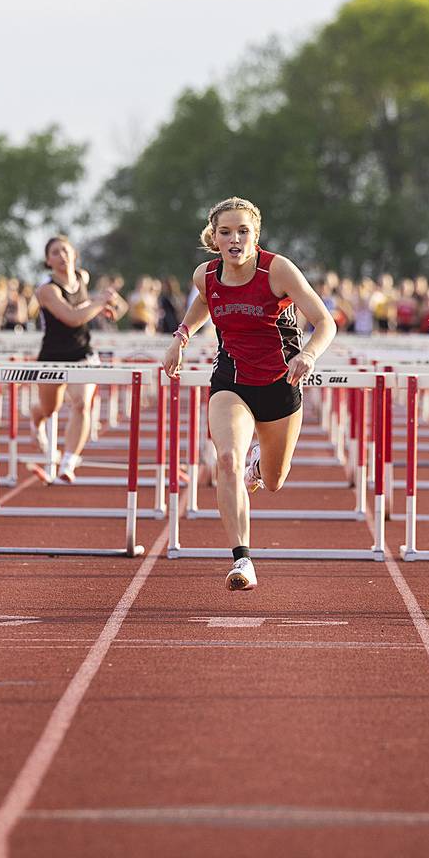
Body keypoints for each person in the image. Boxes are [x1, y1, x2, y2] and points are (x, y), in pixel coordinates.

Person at [162, 196, 336, 591]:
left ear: (256, 235)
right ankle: (242, 559)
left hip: (280, 384)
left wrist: (308, 354)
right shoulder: (204, 275)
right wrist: (181, 336)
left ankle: (259, 466)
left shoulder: (277, 271)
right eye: (226, 232)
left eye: (243, 231)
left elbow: (325, 322)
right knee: (226, 459)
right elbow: (205, 303)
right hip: (231, 382)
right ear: (215, 237)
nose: (235, 239)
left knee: (273, 482)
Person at [26, 236, 119, 482]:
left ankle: (68, 462)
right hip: (52, 356)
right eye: (55, 252)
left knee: (81, 404)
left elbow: (112, 310)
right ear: (48, 260)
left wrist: (111, 304)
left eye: (65, 251)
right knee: (50, 408)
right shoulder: (46, 289)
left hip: (83, 354)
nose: (61, 256)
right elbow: (72, 317)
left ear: (74, 254)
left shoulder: (83, 277)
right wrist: (99, 302)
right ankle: (36, 419)